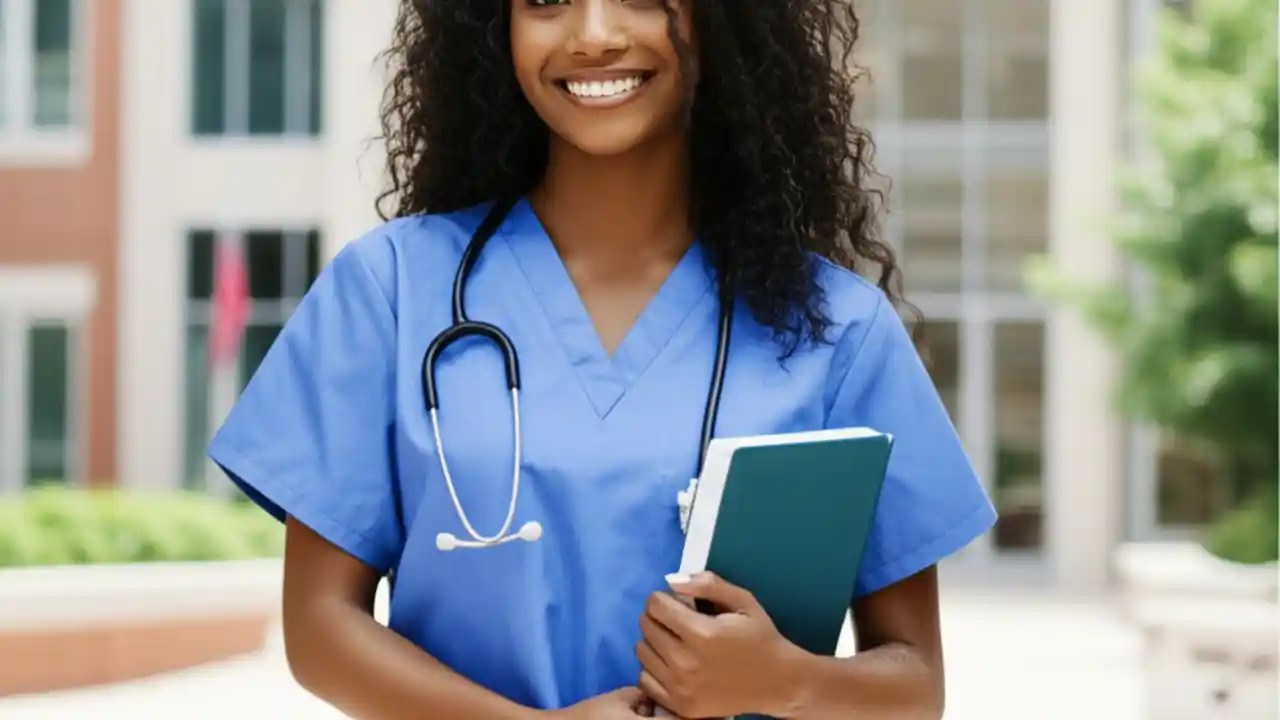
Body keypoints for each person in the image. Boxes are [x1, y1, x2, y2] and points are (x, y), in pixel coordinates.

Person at [207, 1, 997, 718]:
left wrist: (782, 679)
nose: (593, 34)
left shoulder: (838, 330)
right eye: (546, 0)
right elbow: (319, 632)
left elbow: (914, 686)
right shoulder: (388, 292)